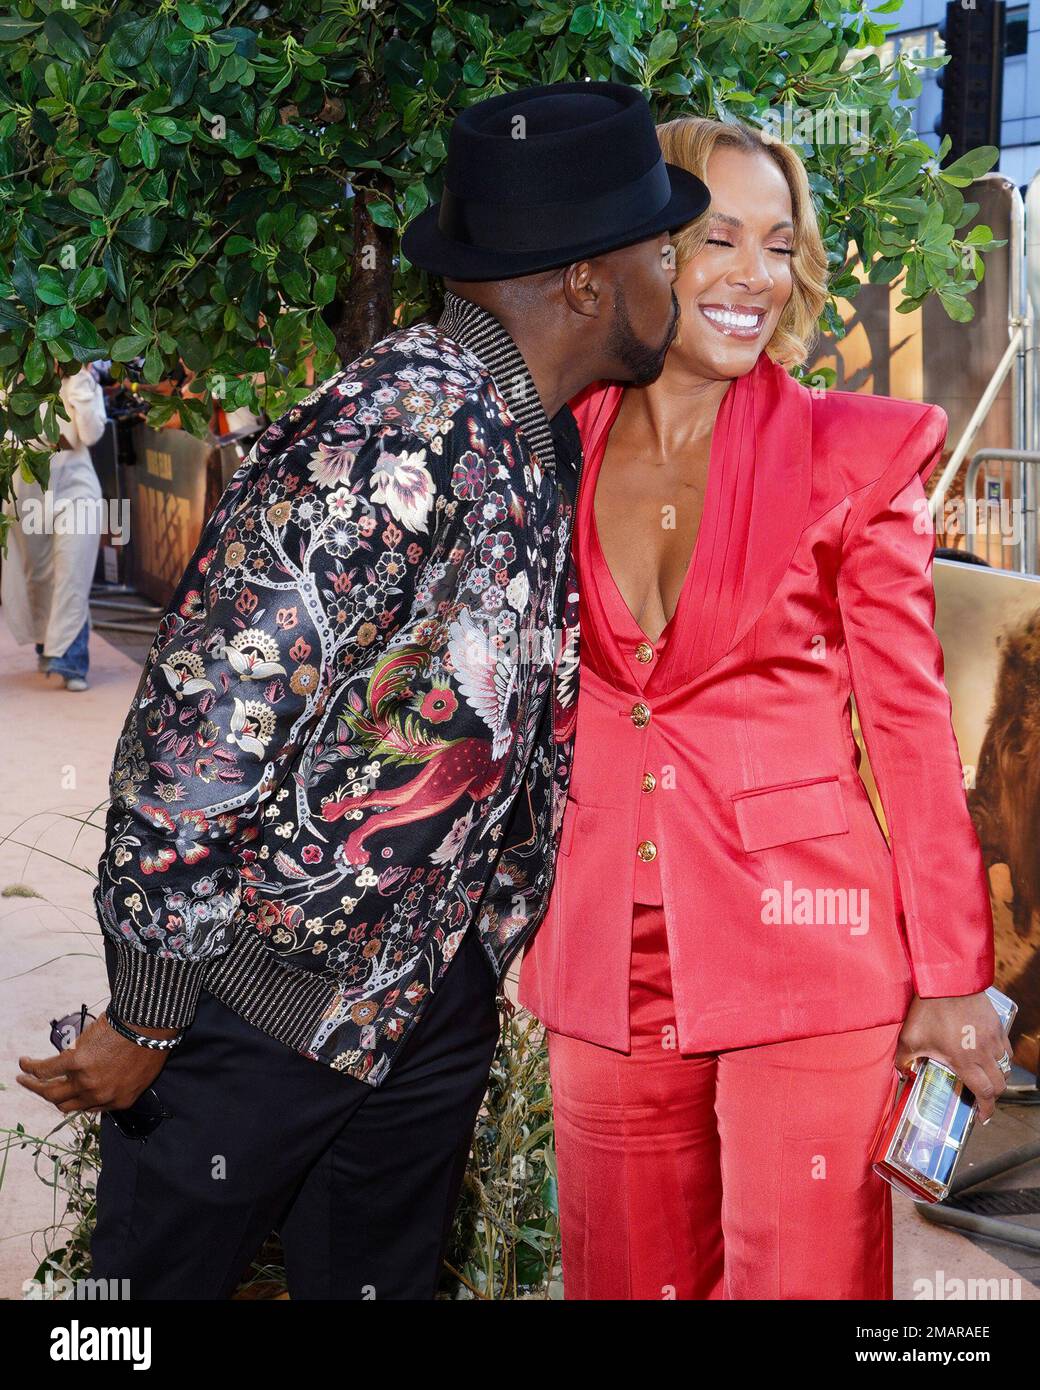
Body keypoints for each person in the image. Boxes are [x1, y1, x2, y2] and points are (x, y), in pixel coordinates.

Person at [17, 81, 708, 1300]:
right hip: (253, 1015)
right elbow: (200, 728)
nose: (681, 273)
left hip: (421, 999)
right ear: (590, 283)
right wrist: (154, 1008)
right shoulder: (395, 429)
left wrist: (478, 955)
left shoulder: (529, 434)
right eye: (665, 247)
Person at [517, 115, 1010, 1301]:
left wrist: (947, 972)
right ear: (640, 255)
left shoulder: (856, 451)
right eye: (718, 237)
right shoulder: (551, 441)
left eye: (777, 245)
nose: (753, 275)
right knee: (625, 1276)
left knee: (802, 1279)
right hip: (601, 939)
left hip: (805, 937)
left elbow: (908, 726)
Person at [2, 364, 107, 690]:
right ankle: (47, 645)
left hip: (76, 481)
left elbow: (91, 434)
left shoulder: (82, 379)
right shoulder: (10, 379)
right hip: (25, 484)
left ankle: (72, 661)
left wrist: (78, 381)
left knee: (73, 571)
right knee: (40, 573)